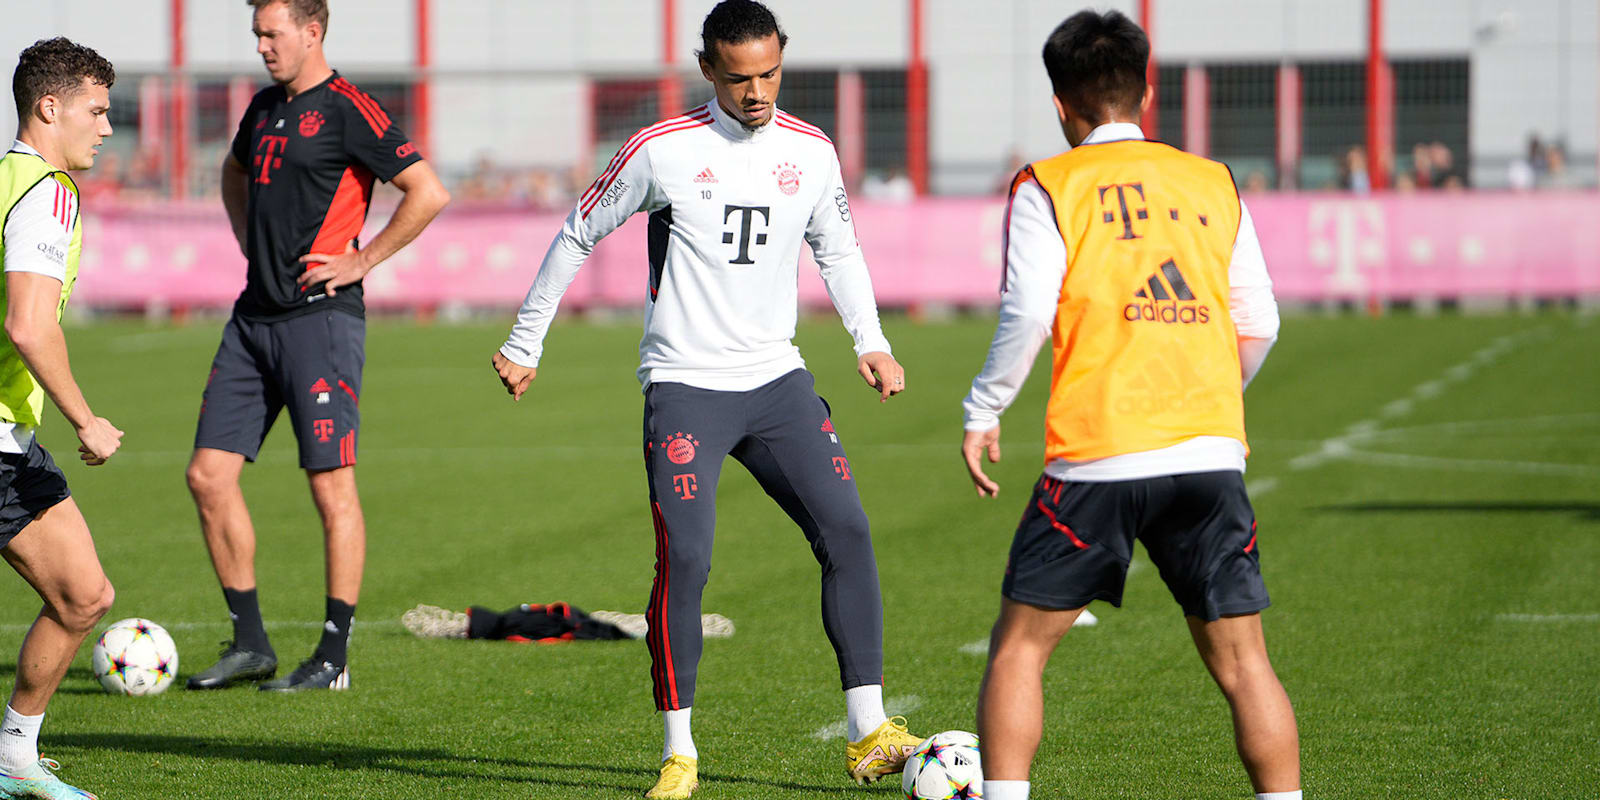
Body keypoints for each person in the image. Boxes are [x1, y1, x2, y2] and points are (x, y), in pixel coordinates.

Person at [492, 2, 922, 796]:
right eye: (738, 78)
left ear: (782, 59)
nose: (756, 92)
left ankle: (868, 732)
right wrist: (526, 341)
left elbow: (837, 247)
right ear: (707, 71)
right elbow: (579, 230)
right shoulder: (661, 150)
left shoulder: (812, 151)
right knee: (686, 561)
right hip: (687, 385)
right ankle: (680, 753)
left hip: (778, 381)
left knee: (848, 531)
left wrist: (871, 340)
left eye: (769, 73)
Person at [958, 11, 1299, 800]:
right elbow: (1261, 321)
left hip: (1098, 453)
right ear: (1145, 93)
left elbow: (1028, 313)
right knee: (1245, 662)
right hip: (1208, 452)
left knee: (1020, 649)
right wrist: (1209, 400)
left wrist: (984, 408)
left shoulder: (1049, 183)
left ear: (1059, 104)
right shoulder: (1212, 180)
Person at [185, 0, 450, 693]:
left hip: (320, 322)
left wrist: (363, 260)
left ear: (311, 32)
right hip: (252, 321)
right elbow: (233, 173)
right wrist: (247, 238)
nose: (262, 47)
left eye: (271, 34)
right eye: (257, 35)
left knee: (331, 487)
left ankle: (333, 656)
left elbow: (426, 191)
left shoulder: (349, 108)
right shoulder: (263, 107)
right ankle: (251, 644)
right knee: (208, 477)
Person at [0, 36, 122, 800]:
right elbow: (29, 325)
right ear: (50, 107)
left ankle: (15, 758)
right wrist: (86, 420)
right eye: (97, 110)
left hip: (10, 440)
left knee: (85, 595)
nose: (106, 128)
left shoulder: (5, 177)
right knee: (84, 596)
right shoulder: (45, 191)